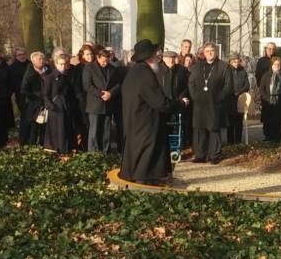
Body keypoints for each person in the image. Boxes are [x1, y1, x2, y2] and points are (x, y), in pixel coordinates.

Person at [121, 40, 181, 185]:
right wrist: (178, 104)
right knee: (146, 151)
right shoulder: (145, 73)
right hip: (146, 121)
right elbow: (159, 102)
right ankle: (144, 179)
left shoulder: (135, 71)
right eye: (156, 55)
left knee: (139, 150)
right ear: (150, 57)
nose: (158, 58)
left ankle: (146, 176)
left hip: (136, 119)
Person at [187, 43, 229, 163]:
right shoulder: (198, 66)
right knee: (200, 129)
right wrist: (195, 96)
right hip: (200, 103)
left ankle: (214, 155)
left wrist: (220, 97)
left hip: (215, 103)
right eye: (207, 51)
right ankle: (200, 155)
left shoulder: (223, 66)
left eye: (212, 50)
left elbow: (228, 86)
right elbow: (191, 83)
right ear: (203, 53)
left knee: (214, 129)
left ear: (215, 52)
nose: (210, 53)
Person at [83, 46, 119, 153]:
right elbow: (87, 85)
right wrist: (101, 94)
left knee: (106, 130)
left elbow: (118, 84)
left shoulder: (113, 69)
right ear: (98, 58)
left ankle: (105, 151)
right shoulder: (89, 68)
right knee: (94, 130)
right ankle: (93, 153)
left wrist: (111, 93)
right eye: (103, 61)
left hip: (108, 104)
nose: (105, 64)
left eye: (107, 61)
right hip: (95, 104)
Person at [42, 52, 80, 153]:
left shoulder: (69, 76)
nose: (63, 66)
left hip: (67, 107)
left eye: (65, 64)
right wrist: (51, 106)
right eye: (60, 64)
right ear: (55, 64)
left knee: (67, 129)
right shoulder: (49, 77)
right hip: (56, 109)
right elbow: (45, 95)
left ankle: (67, 149)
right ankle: (56, 149)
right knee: (57, 130)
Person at [19, 52, 49, 147]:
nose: (42, 61)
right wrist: (35, 96)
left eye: (43, 58)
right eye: (39, 59)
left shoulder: (48, 70)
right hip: (34, 104)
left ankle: (43, 144)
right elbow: (24, 89)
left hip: (46, 103)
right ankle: (32, 146)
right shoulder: (30, 73)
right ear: (33, 61)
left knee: (45, 125)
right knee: (33, 127)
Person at [258, 55, 281, 143]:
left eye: (278, 65)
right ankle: (268, 137)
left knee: (278, 122)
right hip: (268, 102)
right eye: (275, 64)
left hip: (280, 102)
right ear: (271, 65)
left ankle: (277, 138)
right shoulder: (266, 75)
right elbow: (261, 89)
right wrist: (267, 98)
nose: (277, 66)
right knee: (268, 121)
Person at [225, 53, 249, 144]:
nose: (236, 63)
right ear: (230, 62)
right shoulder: (227, 71)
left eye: (237, 61)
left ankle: (238, 141)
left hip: (240, 98)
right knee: (230, 123)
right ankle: (230, 142)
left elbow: (247, 85)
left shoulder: (243, 71)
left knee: (239, 122)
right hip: (230, 99)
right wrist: (232, 92)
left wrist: (239, 92)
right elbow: (225, 85)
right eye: (233, 61)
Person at [9, 47, 29, 145]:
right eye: (19, 55)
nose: (22, 56)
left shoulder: (30, 64)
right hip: (21, 96)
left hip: (33, 96)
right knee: (25, 118)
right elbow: (13, 84)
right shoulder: (12, 67)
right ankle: (23, 141)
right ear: (15, 56)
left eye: (23, 54)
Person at [179, 53, 197, 149]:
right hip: (183, 98)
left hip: (192, 98)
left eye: (190, 60)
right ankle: (183, 142)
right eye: (187, 60)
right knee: (183, 122)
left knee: (190, 122)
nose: (188, 62)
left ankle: (190, 141)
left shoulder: (193, 71)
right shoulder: (181, 71)